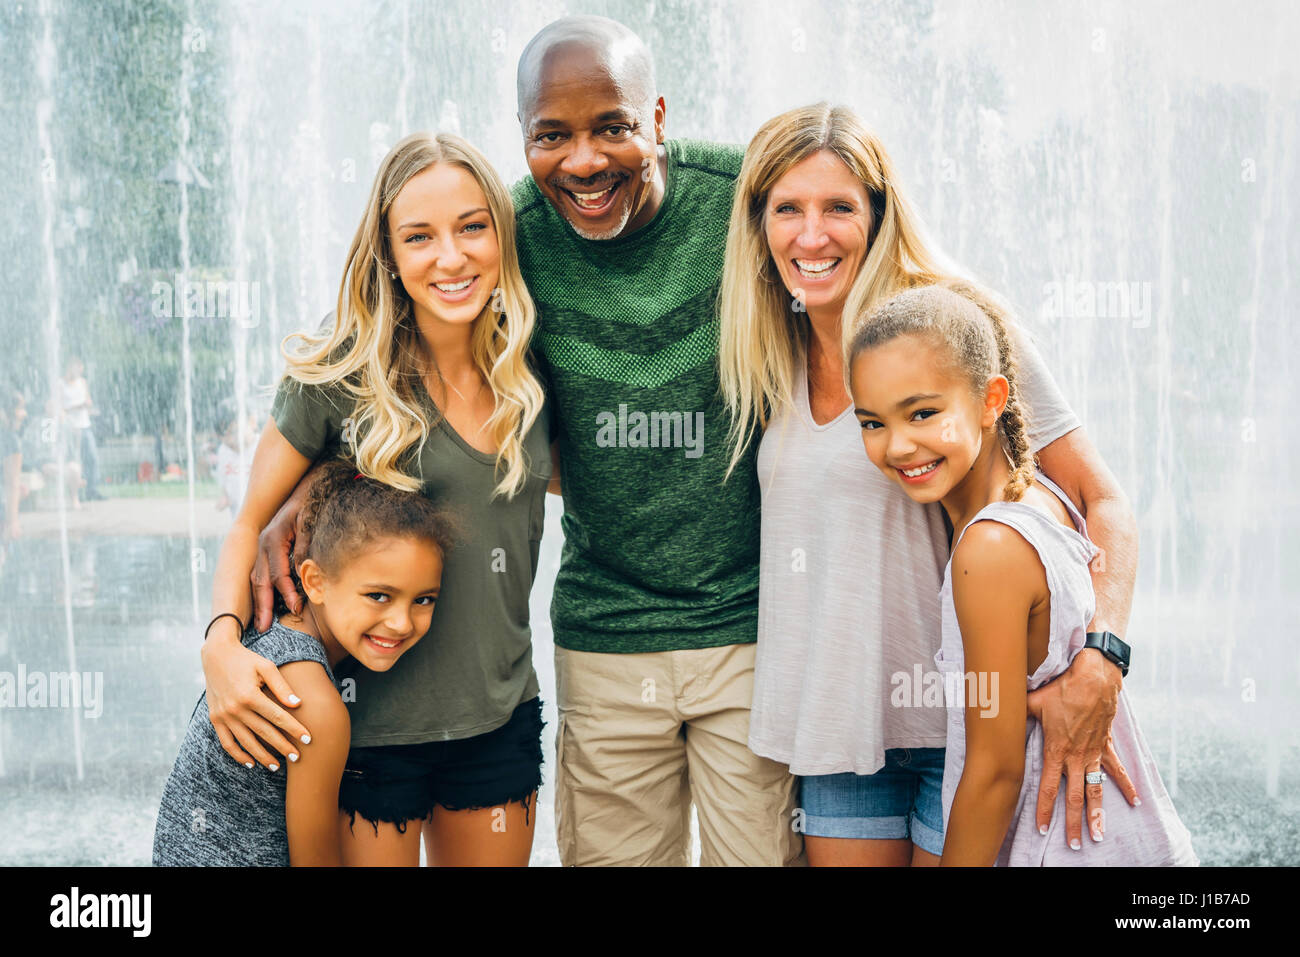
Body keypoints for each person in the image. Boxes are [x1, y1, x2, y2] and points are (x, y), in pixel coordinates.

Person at [718, 103, 1140, 865]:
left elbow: (1102, 500)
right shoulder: (766, 345)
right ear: (759, 223)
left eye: (839, 207)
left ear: (878, 215)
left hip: (972, 733)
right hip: (842, 734)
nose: (811, 236)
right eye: (787, 209)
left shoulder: (955, 326)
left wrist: (1101, 657)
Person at [199, 132, 552, 866]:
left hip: (497, 716)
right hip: (365, 733)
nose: (450, 258)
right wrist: (219, 646)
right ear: (389, 253)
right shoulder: (340, 369)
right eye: (419, 236)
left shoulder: (535, 360)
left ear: (500, 233)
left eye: (472, 227)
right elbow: (247, 522)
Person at [509, 15, 800, 866]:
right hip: (605, 634)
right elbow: (392, 341)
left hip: (750, 625)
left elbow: (891, 289)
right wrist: (295, 493)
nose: (585, 162)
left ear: (658, 118)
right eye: (551, 135)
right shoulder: (512, 231)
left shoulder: (742, 199)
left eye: (613, 127)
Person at [847, 282, 1197, 866]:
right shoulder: (1047, 498)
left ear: (991, 401)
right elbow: (1024, 685)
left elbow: (995, 772)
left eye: (924, 413)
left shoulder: (988, 549)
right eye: (871, 423)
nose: (898, 445)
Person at [153, 460, 453, 866]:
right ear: (314, 581)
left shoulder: (263, 628)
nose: (401, 622)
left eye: (423, 600)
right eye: (379, 596)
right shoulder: (315, 706)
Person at [61, 357, 102, 500]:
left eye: (81, 368)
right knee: (74, 460)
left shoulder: (82, 383)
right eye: (77, 368)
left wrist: (87, 404)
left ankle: (92, 490)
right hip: (68, 428)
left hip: (84, 425)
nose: (79, 371)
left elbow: (88, 400)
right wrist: (76, 407)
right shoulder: (60, 384)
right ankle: (75, 493)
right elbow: (56, 407)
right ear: (70, 367)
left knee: (91, 458)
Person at [1, 390, 25, 542]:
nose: (25, 413)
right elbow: (12, 484)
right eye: (21, 408)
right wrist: (13, 522)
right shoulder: (9, 439)